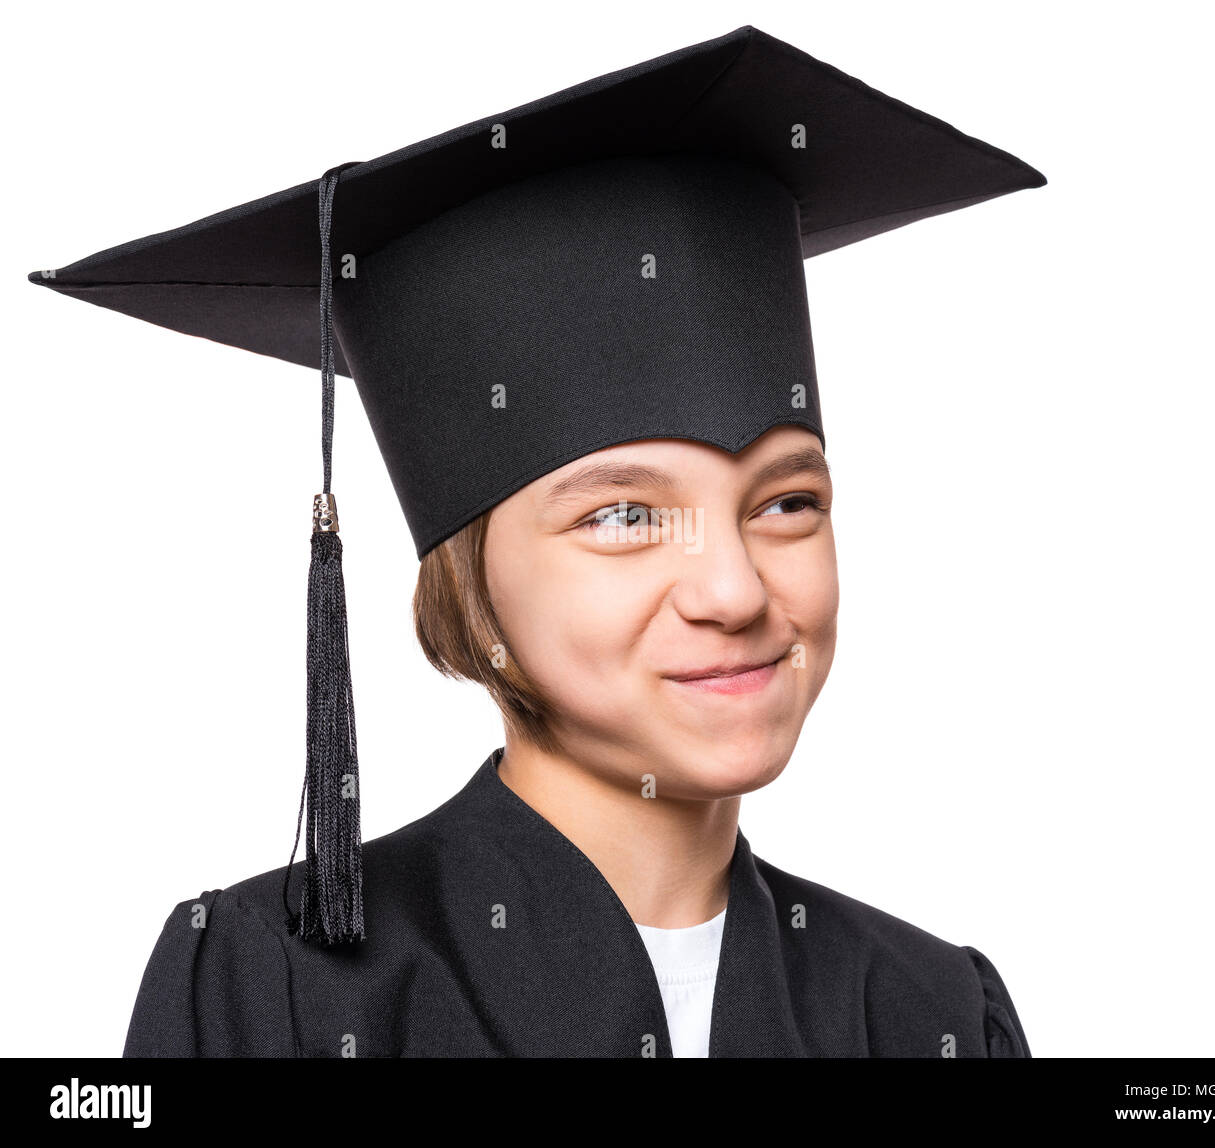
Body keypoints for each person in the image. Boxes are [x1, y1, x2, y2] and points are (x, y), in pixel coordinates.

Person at [28, 25, 1045, 1057]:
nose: (733, 589)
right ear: (469, 579)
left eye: (785, 503)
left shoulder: (929, 1012)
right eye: (623, 515)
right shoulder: (276, 989)